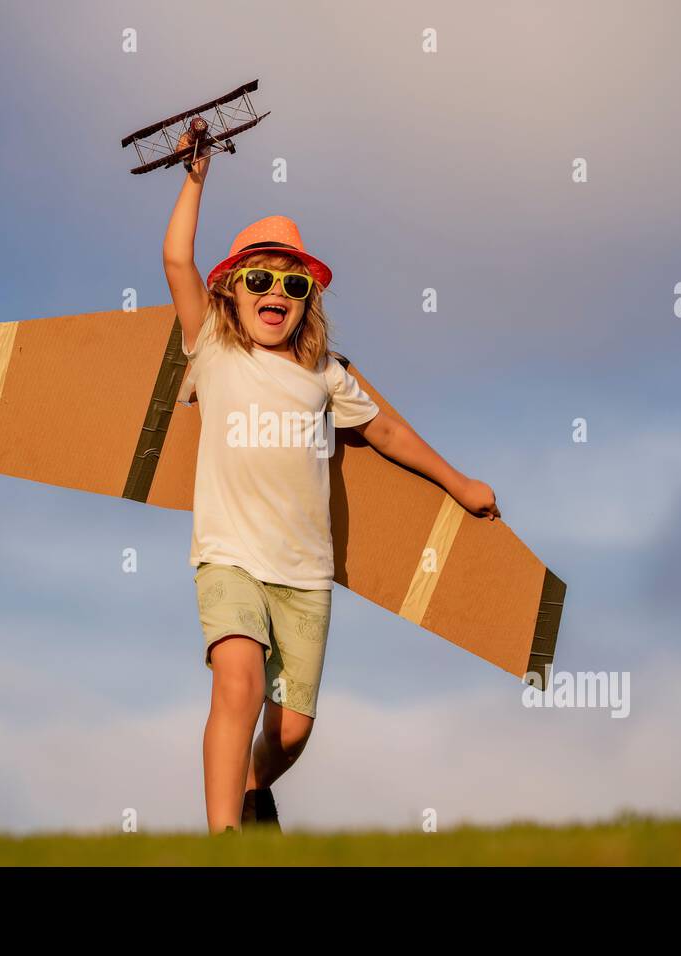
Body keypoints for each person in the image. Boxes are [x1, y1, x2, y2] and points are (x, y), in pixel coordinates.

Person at [163, 136, 500, 835]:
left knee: (290, 731)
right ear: (231, 289)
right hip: (228, 556)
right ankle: (223, 840)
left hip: (305, 572)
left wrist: (458, 482)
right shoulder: (214, 350)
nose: (276, 293)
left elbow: (386, 433)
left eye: (294, 284)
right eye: (260, 280)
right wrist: (197, 175)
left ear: (308, 299)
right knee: (239, 684)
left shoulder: (324, 375)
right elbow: (175, 261)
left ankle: (255, 787)